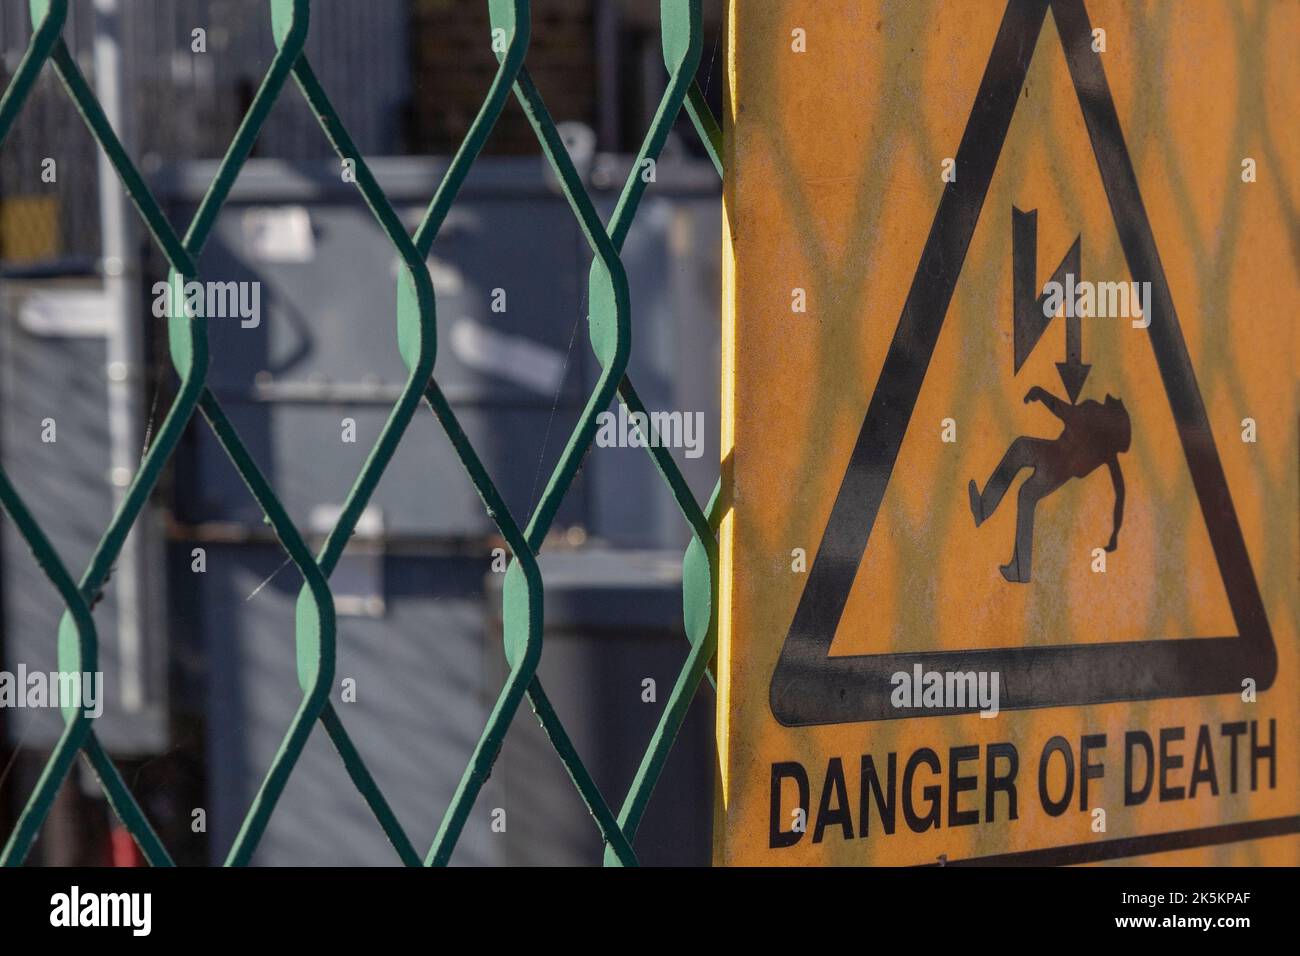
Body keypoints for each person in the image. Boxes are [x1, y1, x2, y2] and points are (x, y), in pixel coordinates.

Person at [968, 387, 1131, 583]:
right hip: (1053, 455)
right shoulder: (1105, 447)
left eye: (1110, 405)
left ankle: (1020, 569)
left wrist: (1040, 393)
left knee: (1026, 494)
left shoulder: (1093, 417)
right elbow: (1120, 491)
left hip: (1056, 467)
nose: (1106, 401)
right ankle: (984, 509)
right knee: (1021, 450)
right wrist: (1115, 534)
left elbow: (1063, 410)